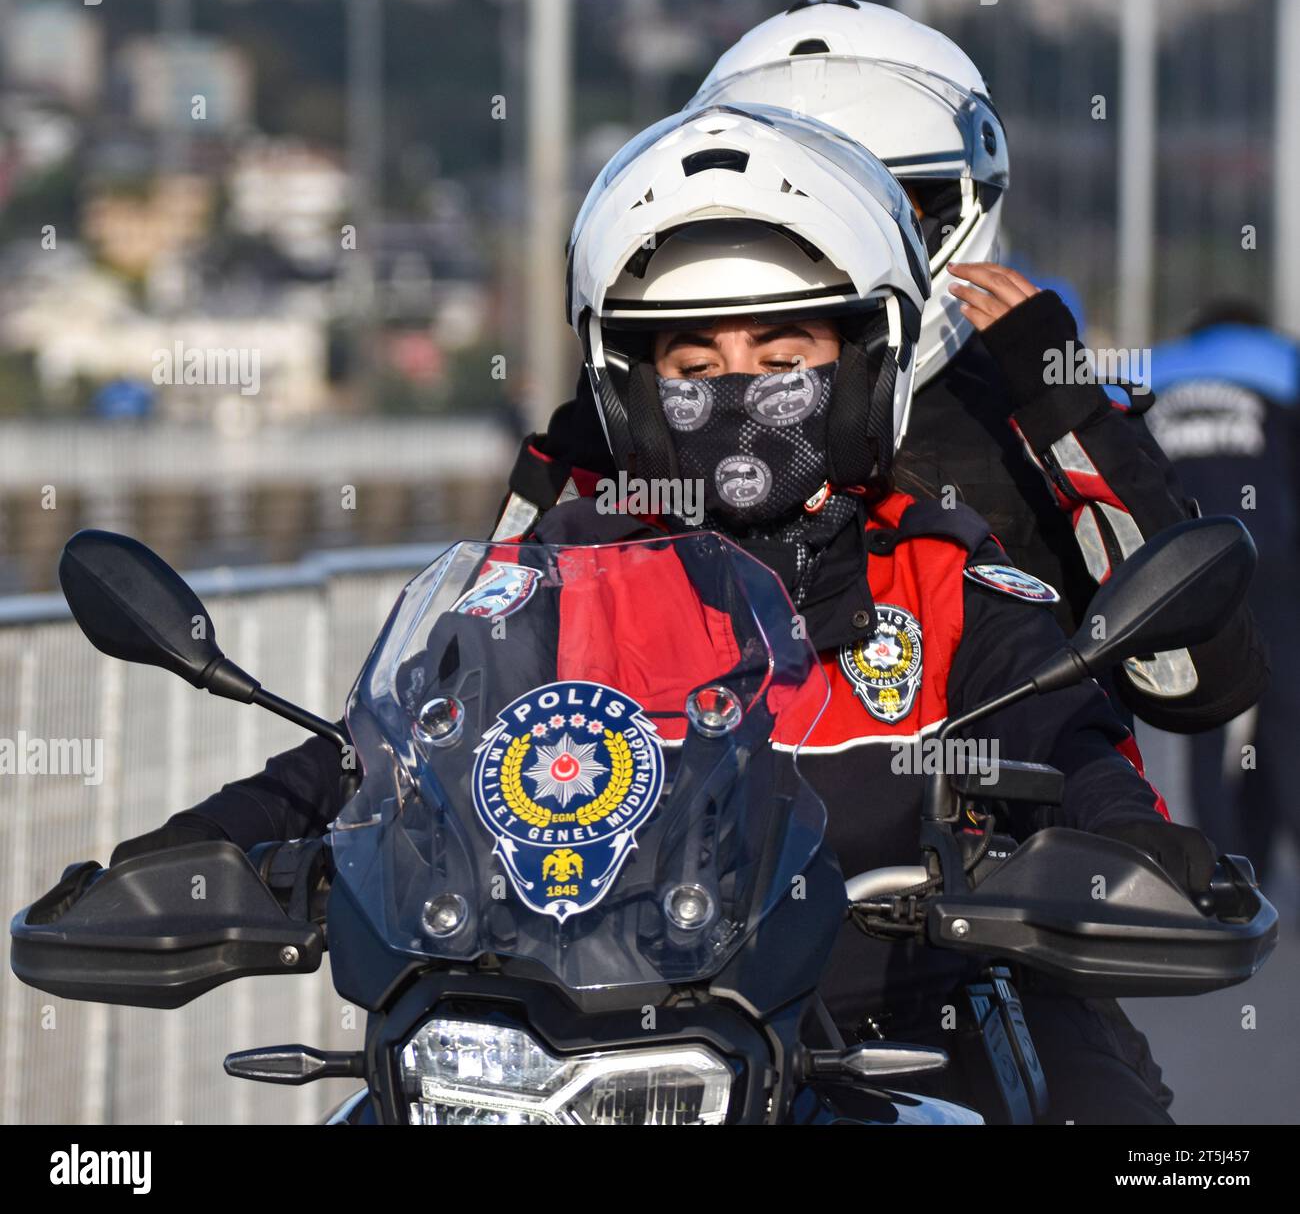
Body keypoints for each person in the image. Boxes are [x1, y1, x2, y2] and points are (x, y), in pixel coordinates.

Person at [113, 105, 1214, 1123]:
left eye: (784, 360)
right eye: (694, 366)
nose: (737, 395)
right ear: (635, 391)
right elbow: (377, 758)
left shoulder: (950, 587)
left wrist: (1126, 847)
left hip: (889, 1054)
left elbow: (1070, 747)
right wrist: (199, 851)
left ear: (862, 369)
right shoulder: (545, 589)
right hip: (561, 1063)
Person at [491, 0, 1266, 737]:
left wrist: (1064, 400)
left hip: (1007, 847)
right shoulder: (645, 416)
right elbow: (484, 662)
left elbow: (1196, 680)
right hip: (714, 844)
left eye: (882, 201)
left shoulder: (1039, 413)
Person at [1148, 299, 1300, 882]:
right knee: (1284, 717)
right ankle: (1266, 851)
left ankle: (1226, 867)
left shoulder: (1160, 373)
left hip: (1192, 566)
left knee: (1205, 715)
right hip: (1274, 560)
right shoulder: (1279, 370)